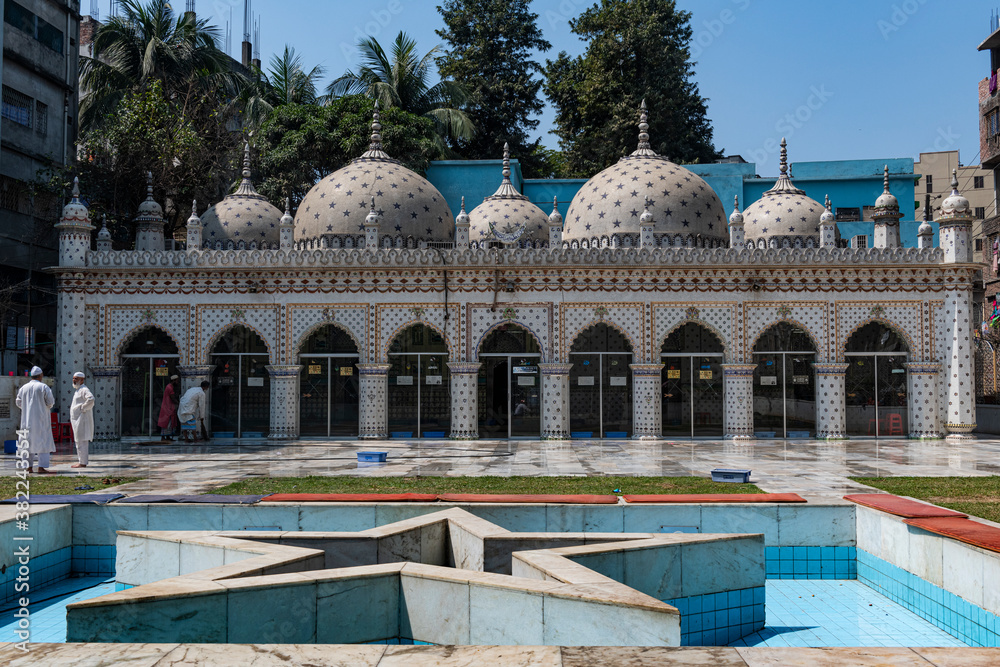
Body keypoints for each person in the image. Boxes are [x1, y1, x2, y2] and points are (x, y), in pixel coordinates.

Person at [15, 367, 56, 474]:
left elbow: (18, 402)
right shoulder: (43, 387)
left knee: (27, 443)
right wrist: (44, 407)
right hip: (41, 420)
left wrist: (27, 408)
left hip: (27, 420)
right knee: (43, 442)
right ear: (41, 375)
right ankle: (41, 467)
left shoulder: (24, 387)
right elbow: (50, 402)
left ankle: (28, 467)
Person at [69, 371, 95, 468]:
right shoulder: (78, 390)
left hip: (82, 419)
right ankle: (81, 461)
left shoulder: (84, 389)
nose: (74, 380)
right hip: (77, 420)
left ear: (82, 380)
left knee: (81, 441)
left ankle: (82, 463)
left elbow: (91, 399)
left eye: (76, 379)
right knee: (79, 440)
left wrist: (83, 408)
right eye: (73, 378)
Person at [157, 375, 180, 441]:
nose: (177, 382)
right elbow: (172, 398)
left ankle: (167, 437)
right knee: (166, 423)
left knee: (170, 423)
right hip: (167, 408)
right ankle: (163, 437)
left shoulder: (170, 387)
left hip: (170, 407)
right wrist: (179, 403)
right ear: (173, 380)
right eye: (177, 380)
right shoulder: (169, 388)